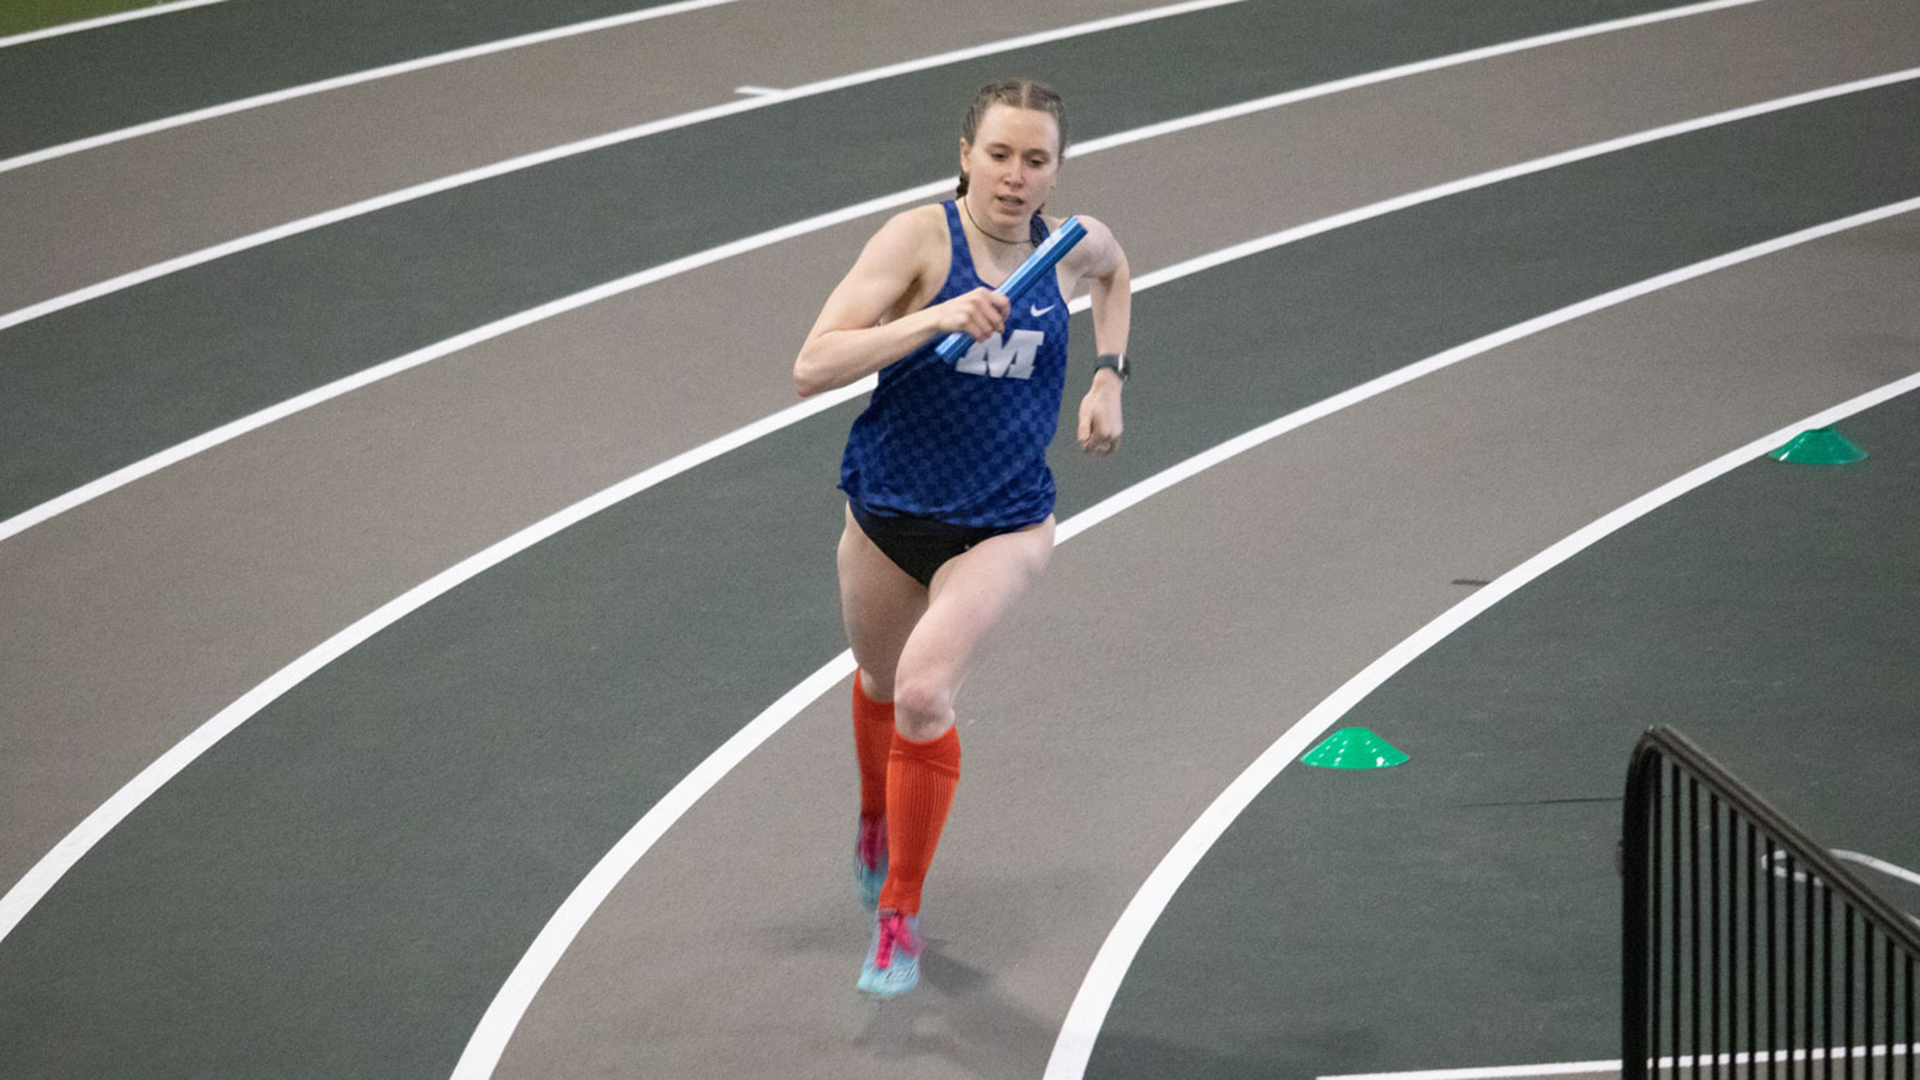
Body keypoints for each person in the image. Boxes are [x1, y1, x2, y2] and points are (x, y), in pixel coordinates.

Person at [793, 79, 1132, 997]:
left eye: (1036, 160)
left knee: (924, 689)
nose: (1016, 177)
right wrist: (935, 317)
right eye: (1000, 154)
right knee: (874, 681)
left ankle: (899, 913)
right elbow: (812, 364)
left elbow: (1115, 272)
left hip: (1006, 519)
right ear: (965, 152)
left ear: (1057, 169)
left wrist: (1108, 374)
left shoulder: (1070, 245)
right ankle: (876, 815)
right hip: (888, 510)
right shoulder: (920, 239)